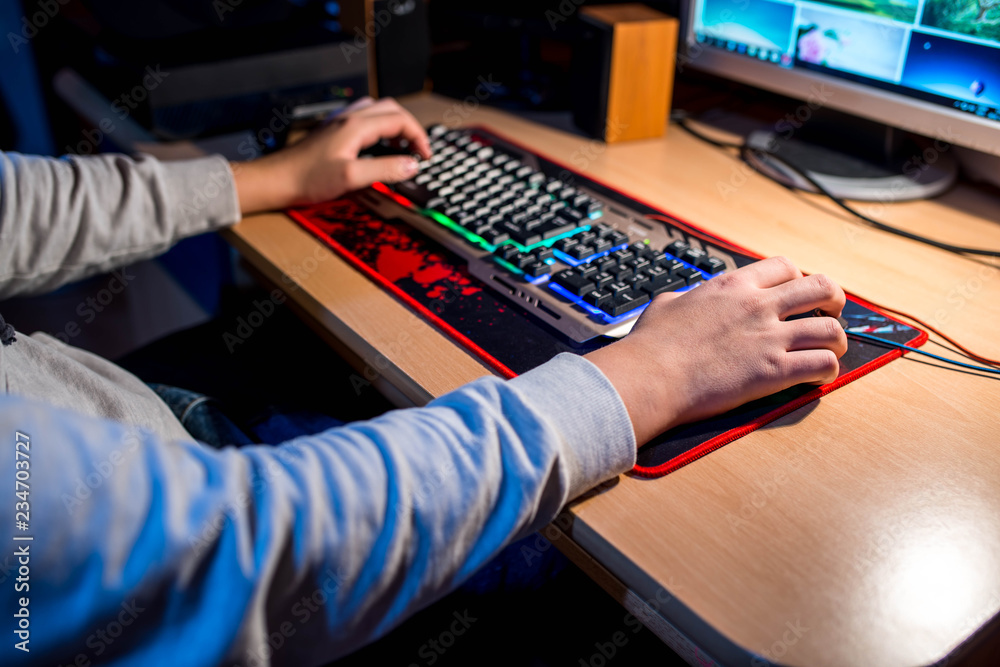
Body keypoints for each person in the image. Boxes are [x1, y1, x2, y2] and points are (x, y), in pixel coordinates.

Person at [0, 97, 847, 666]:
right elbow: (244, 553)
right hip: (205, 552)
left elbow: (16, 205)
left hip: (126, 418)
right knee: (665, 585)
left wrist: (279, 178)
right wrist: (651, 373)